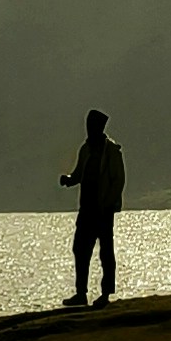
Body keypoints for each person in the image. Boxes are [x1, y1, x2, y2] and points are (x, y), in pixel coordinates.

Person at [61, 107, 126, 306]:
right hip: (87, 208)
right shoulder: (86, 149)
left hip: (103, 210)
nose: (89, 129)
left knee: (105, 251)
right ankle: (81, 293)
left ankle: (106, 294)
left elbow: (118, 181)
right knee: (80, 249)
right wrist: (69, 180)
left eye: (93, 126)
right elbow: (79, 173)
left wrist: (108, 203)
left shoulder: (112, 151)